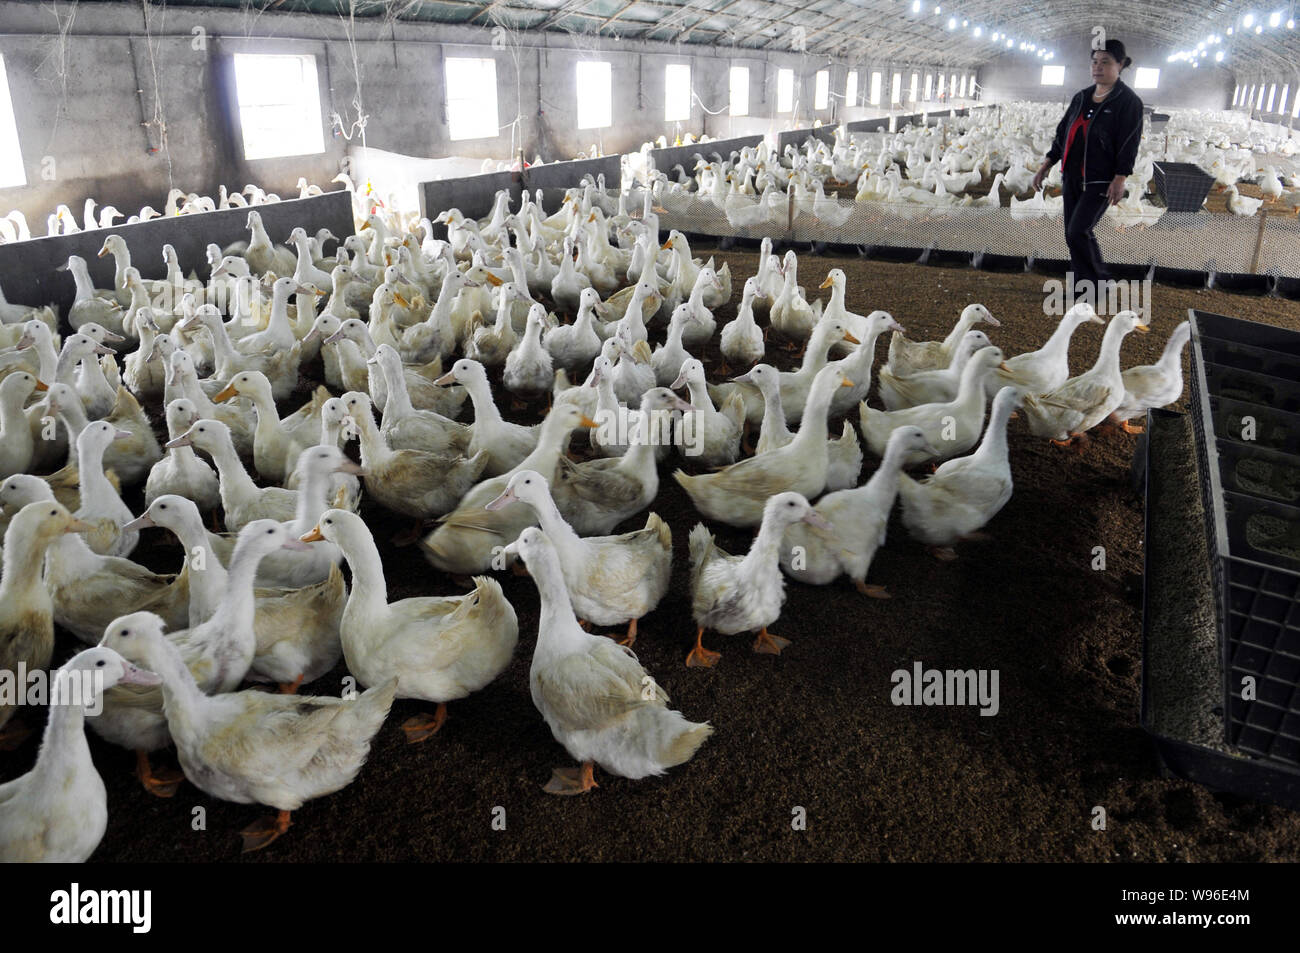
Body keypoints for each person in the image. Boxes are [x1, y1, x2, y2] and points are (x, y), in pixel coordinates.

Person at [1032, 39, 1144, 289]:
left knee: (1078, 231)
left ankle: (1098, 283)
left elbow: (1129, 143)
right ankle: (1083, 287)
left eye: (1105, 62)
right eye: (1094, 62)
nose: (1098, 67)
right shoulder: (1081, 98)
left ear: (1121, 64)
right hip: (1071, 176)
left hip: (1100, 180)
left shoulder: (1128, 102)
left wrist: (1120, 177)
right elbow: (1063, 134)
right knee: (1072, 234)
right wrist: (1046, 164)